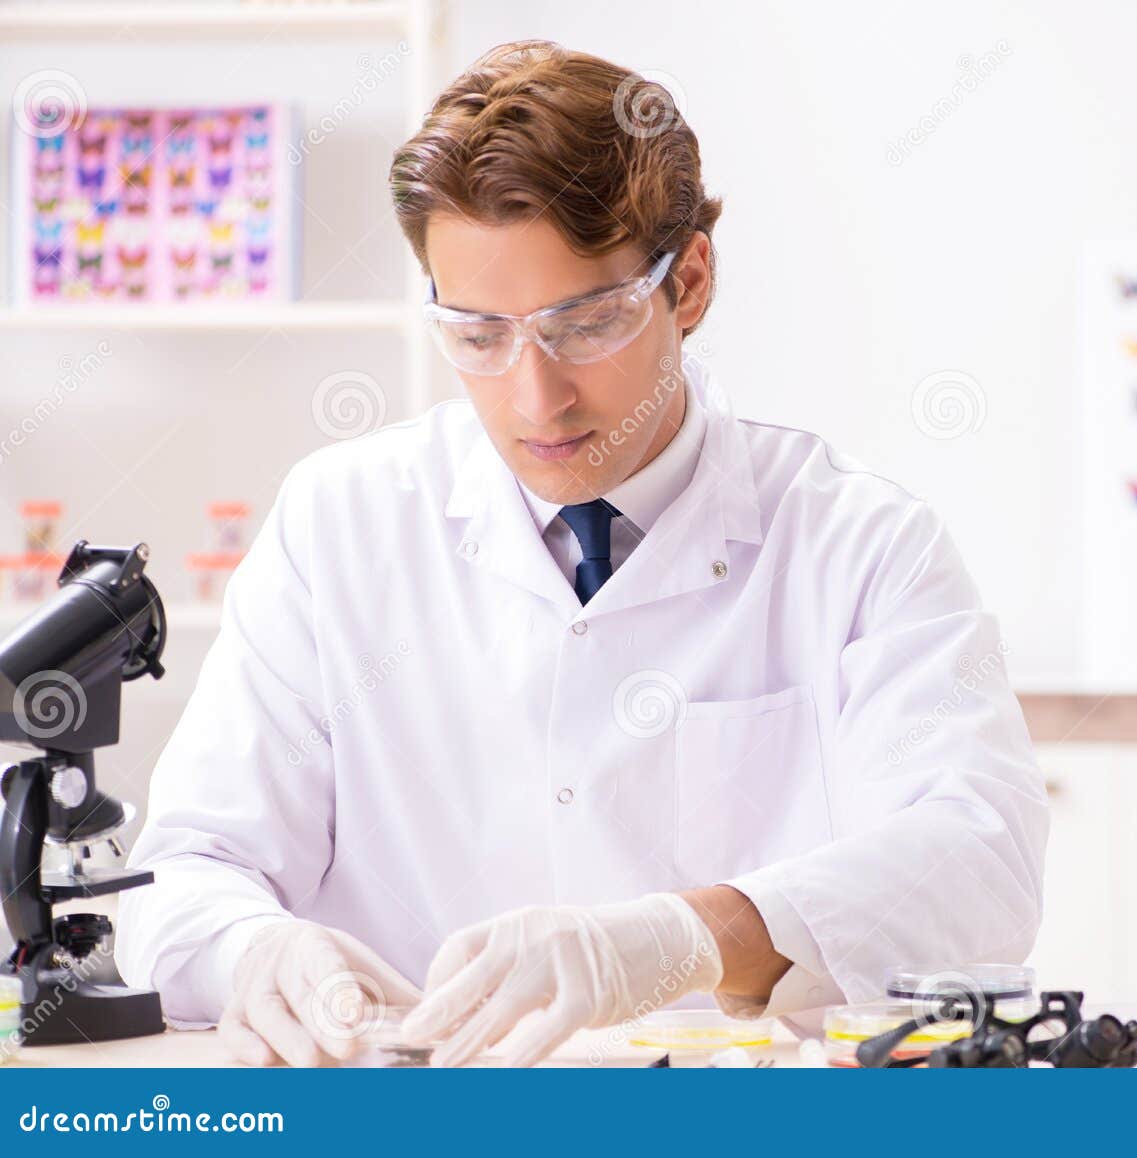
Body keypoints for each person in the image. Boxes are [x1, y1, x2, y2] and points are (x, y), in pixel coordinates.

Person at [115, 40, 1046, 1067]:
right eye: (477, 335)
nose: (534, 397)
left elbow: (980, 866)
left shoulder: (860, 544)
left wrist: (687, 939)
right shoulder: (338, 526)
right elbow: (188, 871)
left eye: (585, 323)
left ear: (688, 281)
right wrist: (256, 953)